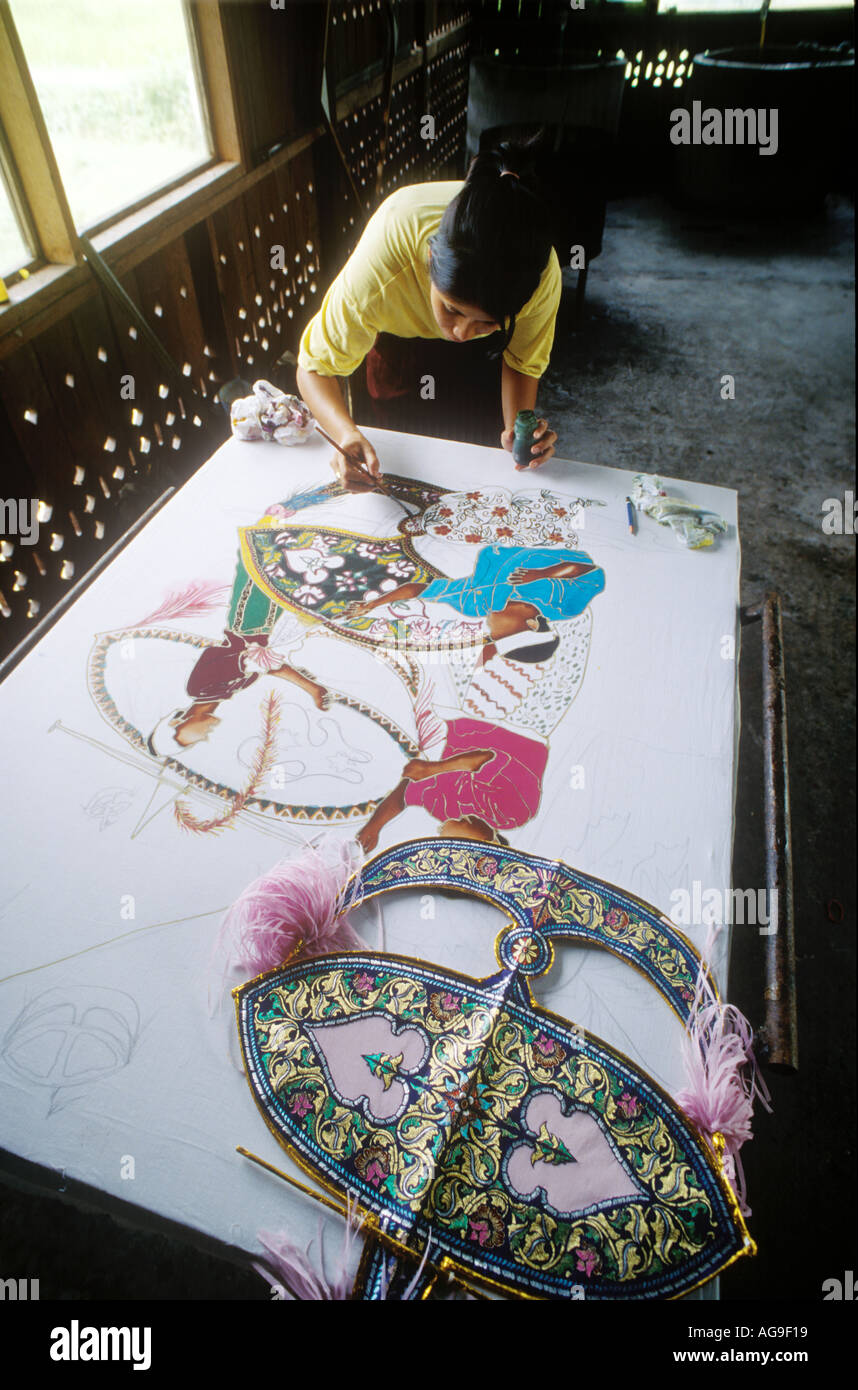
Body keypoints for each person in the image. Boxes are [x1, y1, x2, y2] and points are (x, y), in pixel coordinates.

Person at [296, 142, 562, 490]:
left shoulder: (540, 279)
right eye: (451, 308)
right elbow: (315, 368)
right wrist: (346, 435)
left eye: (486, 321)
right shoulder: (386, 254)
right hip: (399, 350)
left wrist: (517, 433)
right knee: (395, 473)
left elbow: (522, 363)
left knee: (475, 472)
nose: (461, 333)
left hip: (485, 361)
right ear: (429, 260)